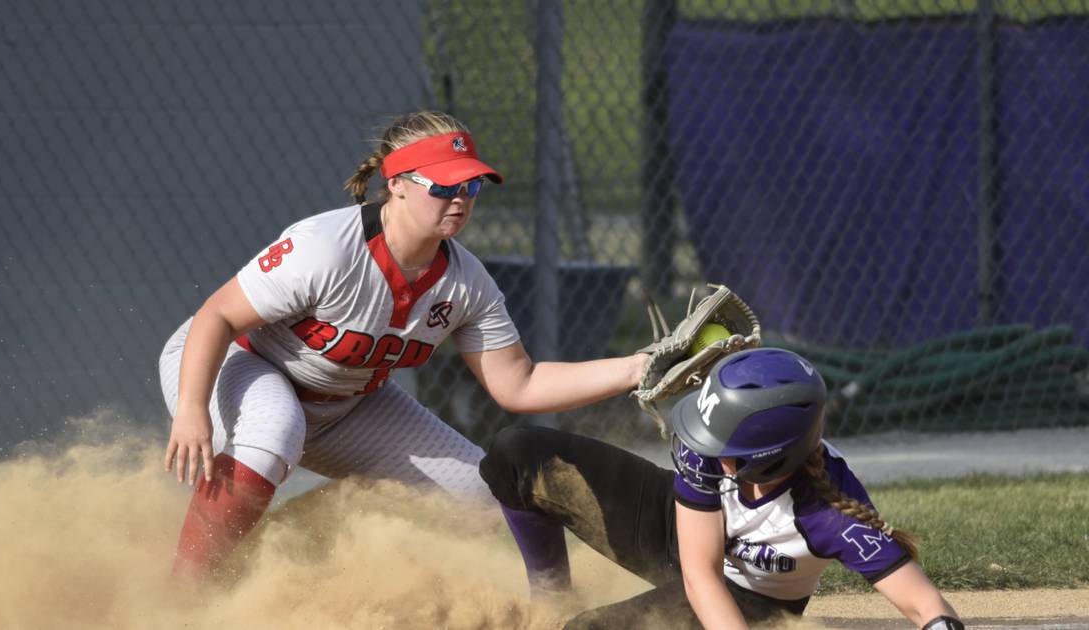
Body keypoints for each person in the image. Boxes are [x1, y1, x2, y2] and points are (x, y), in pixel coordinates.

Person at [158, 110, 649, 579]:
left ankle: (268, 557)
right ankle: (185, 597)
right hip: (236, 363)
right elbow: (216, 316)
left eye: (470, 185)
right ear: (396, 183)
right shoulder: (327, 248)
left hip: (347, 405)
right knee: (275, 429)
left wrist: (635, 369)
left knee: (476, 499)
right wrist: (192, 407)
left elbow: (520, 384)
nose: (459, 198)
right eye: (443, 184)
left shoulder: (466, 284)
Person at [480, 348, 965, 630]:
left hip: (751, 596)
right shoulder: (708, 449)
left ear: (774, 457)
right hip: (692, 543)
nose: (705, 446)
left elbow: (928, 607)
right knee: (517, 454)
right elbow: (699, 569)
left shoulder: (829, 512)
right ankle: (550, 596)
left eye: (725, 447)